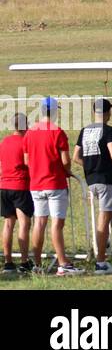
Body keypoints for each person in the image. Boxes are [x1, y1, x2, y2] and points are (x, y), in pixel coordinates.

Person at [25, 97, 78, 275]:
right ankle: (63, 263)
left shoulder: (30, 132)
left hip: (36, 184)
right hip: (54, 182)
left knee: (39, 223)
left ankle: (37, 264)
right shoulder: (57, 131)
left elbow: (26, 160)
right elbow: (65, 160)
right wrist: (67, 170)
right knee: (57, 225)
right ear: (55, 111)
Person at [73, 98, 112, 274]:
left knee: (109, 214)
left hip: (91, 180)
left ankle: (105, 243)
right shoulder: (109, 130)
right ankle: (101, 261)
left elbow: (76, 156)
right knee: (104, 219)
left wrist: (89, 167)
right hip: (107, 179)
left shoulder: (85, 130)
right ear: (108, 112)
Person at [0, 113, 33, 274]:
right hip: (20, 185)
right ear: (24, 125)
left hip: (4, 185)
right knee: (24, 223)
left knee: (8, 224)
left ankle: (8, 262)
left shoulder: (4, 142)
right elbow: (29, 163)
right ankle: (25, 261)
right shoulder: (25, 142)